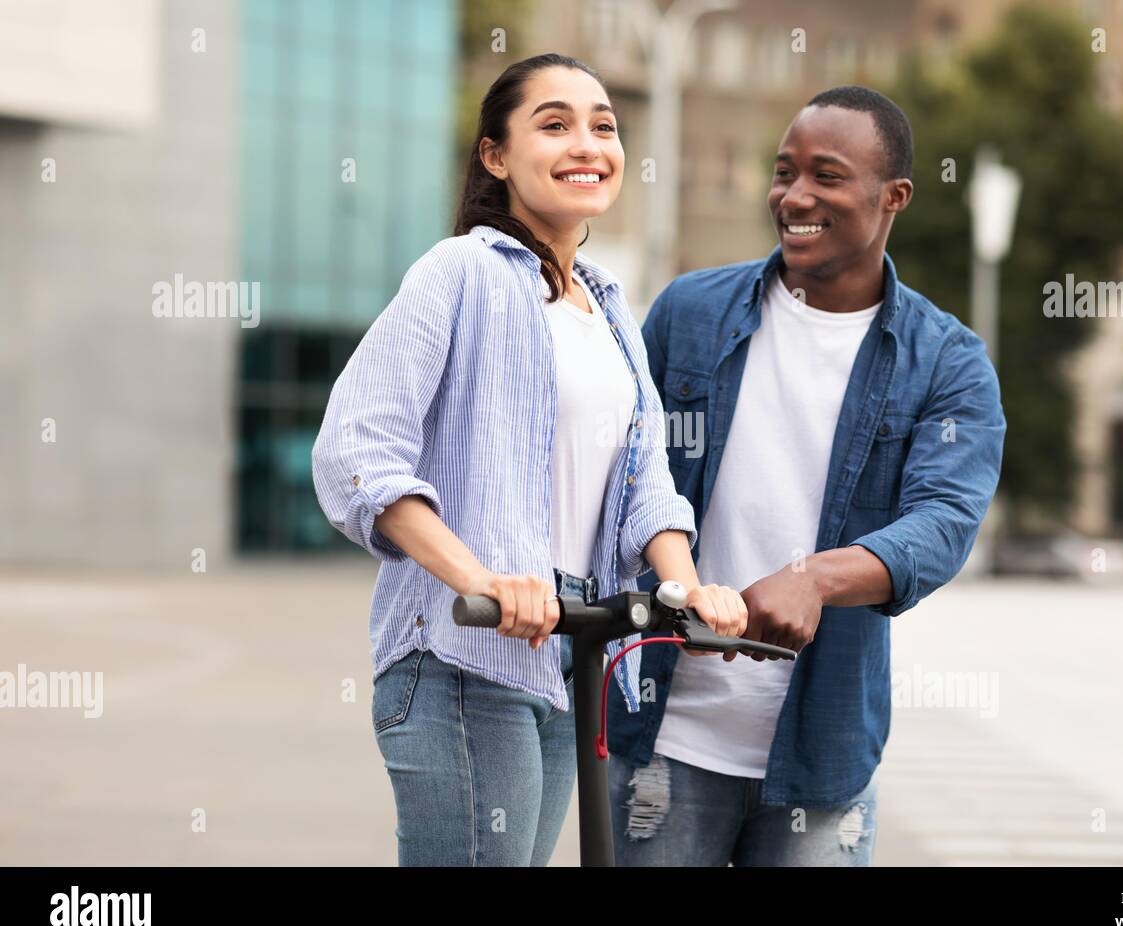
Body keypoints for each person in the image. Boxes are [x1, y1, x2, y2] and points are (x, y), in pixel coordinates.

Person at [311, 53, 747, 867]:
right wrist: (478, 578)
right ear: (496, 156)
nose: (587, 144)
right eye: (555, 125)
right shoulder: (461, 274)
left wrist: (687, 587)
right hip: (462, 652)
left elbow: (647, 481)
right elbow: (355, 451)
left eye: (603, 127)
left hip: (569, 653)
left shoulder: (612, 308)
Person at [604, 86, 1006, 866]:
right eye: (785, 172)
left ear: (895, 197)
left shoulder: (947, 362)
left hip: (822, 759)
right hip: (665, 739)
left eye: (826, 176)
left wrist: (813, 579)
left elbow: (945, 521)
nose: (795, 196)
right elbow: (620, 474)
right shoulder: (689, 312)